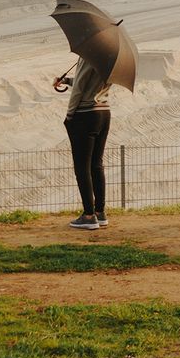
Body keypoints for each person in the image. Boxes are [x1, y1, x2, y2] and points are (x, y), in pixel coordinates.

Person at [55, 57, 112, 230]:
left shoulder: (89, 56)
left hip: (85, 114)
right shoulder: (109, 58)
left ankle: (88, 216)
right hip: (104, 112)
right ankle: (100, 213)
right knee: (96, 164)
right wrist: (66, 81)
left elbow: (80, 87)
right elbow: (88, 82)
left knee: (82, 167)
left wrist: (69, 115)